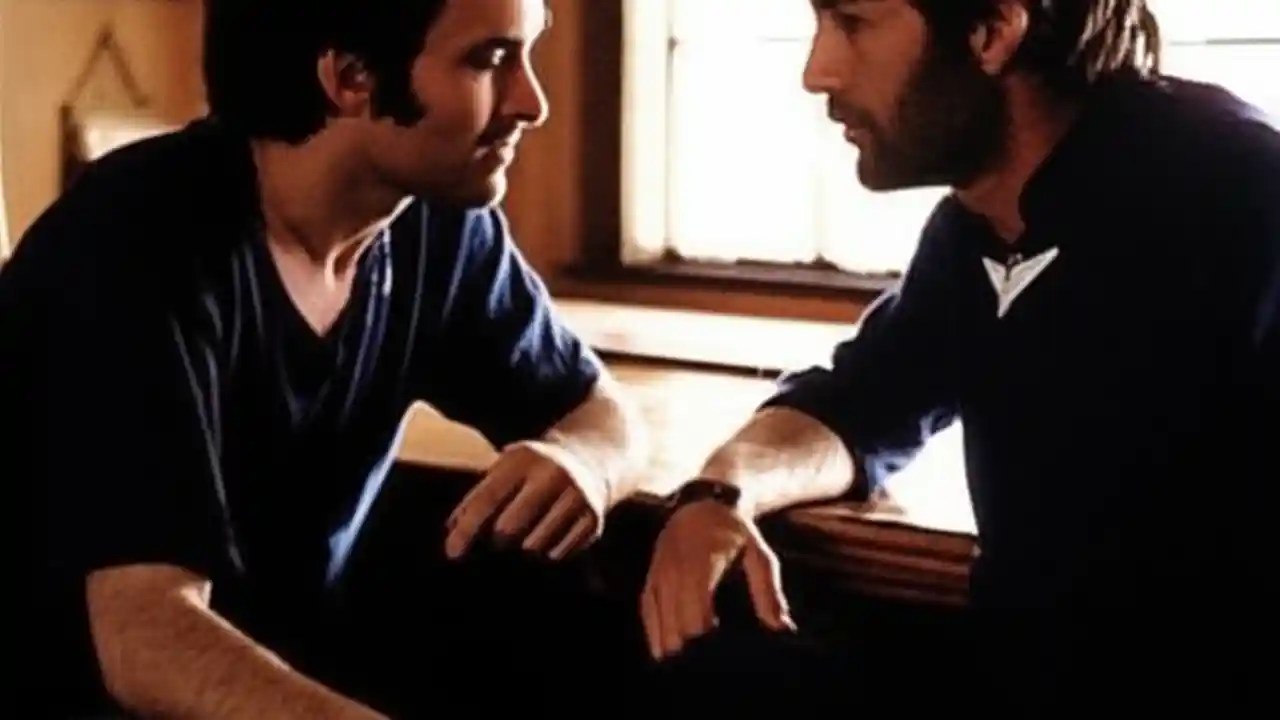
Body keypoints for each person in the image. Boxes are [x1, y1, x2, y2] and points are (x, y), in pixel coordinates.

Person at [1, 0, 648, 717]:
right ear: (350, 78)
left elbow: (601, 411)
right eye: (489, 61)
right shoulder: (133, 242)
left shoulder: (440, 227)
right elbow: (145, 640)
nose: (534, 103)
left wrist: (583, 460)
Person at [640, 0, 1279, 707]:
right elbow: (859, 405)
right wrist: (719, 495)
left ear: (992, 31)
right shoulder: (976, 227)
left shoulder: (1236, 195)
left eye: (853, 23)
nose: (816, 73)